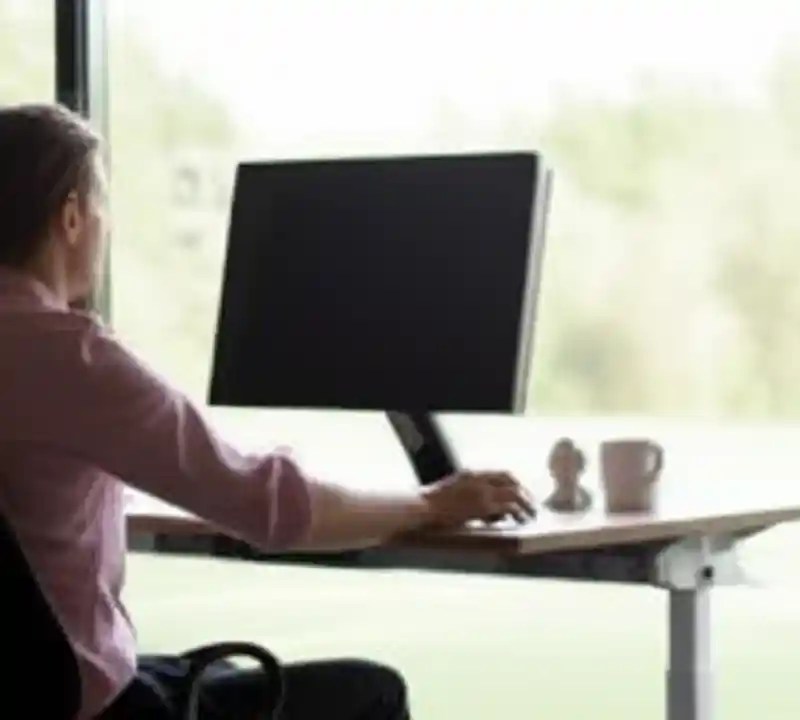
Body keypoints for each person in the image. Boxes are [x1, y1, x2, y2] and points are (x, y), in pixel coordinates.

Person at [0, 103, 538, 720]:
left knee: (222, 676)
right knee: (370, 693)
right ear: (72, 216)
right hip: (94, 704)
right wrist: (432, 504)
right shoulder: (72, 358)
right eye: (102, 208)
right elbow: (271, 509)